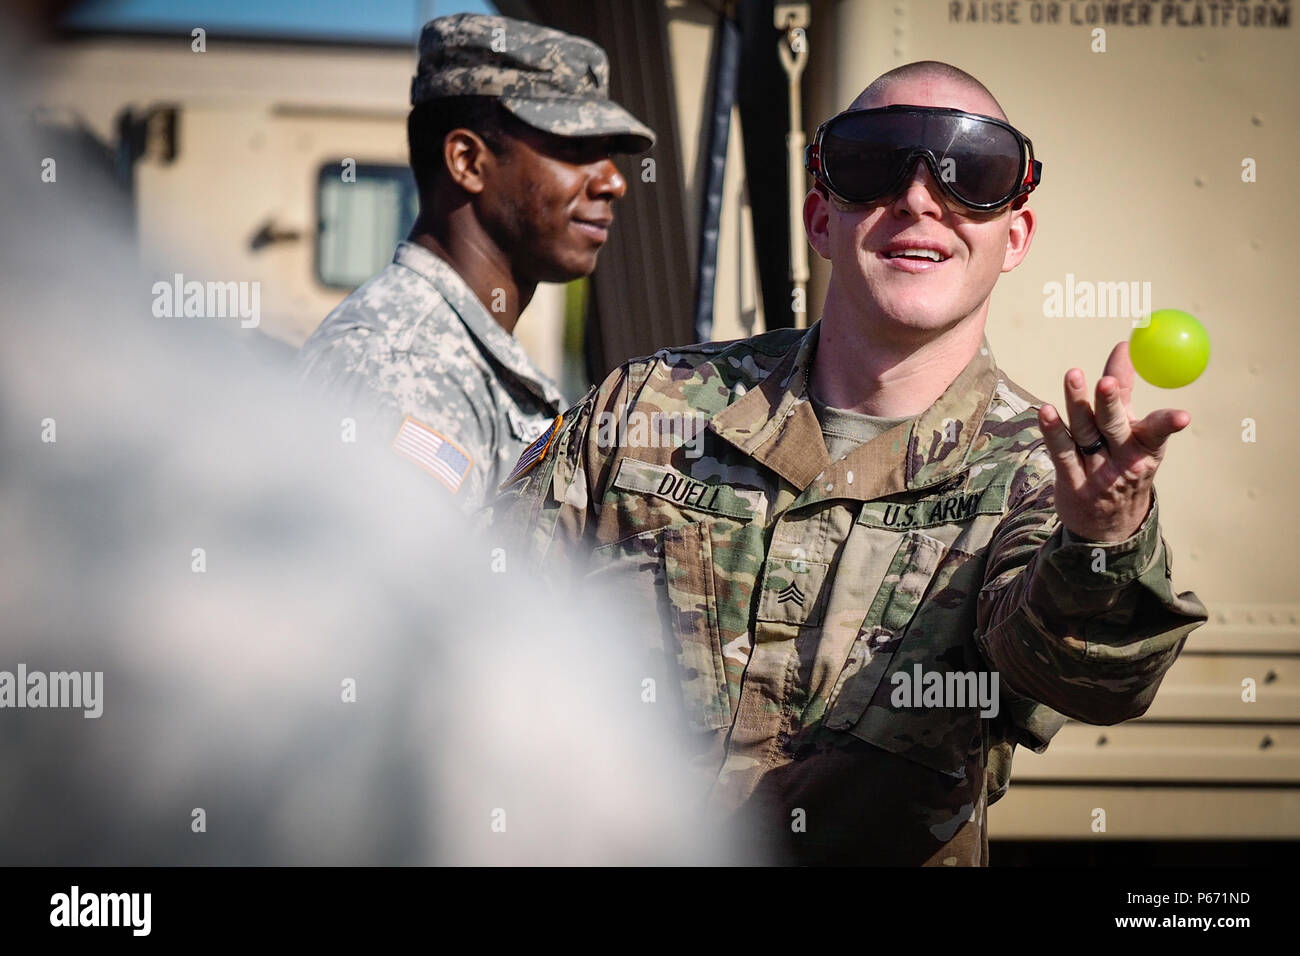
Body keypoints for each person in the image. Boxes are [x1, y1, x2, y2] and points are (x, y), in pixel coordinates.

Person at [493, 61, 1209, 865]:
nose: (917, 200)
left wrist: (1101, 544)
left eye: (972, 173)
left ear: (1015, 239)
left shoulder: (1034, 478)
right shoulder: (644, 410)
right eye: (872, 164)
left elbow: (1088, 680)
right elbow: (466, 625)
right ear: (821, 221)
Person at [297, 13, 654, 511]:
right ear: (467, 161)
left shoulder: (468, 357)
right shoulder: (399, 367)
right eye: (575, 149)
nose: (613, 181)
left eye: (608, 153)